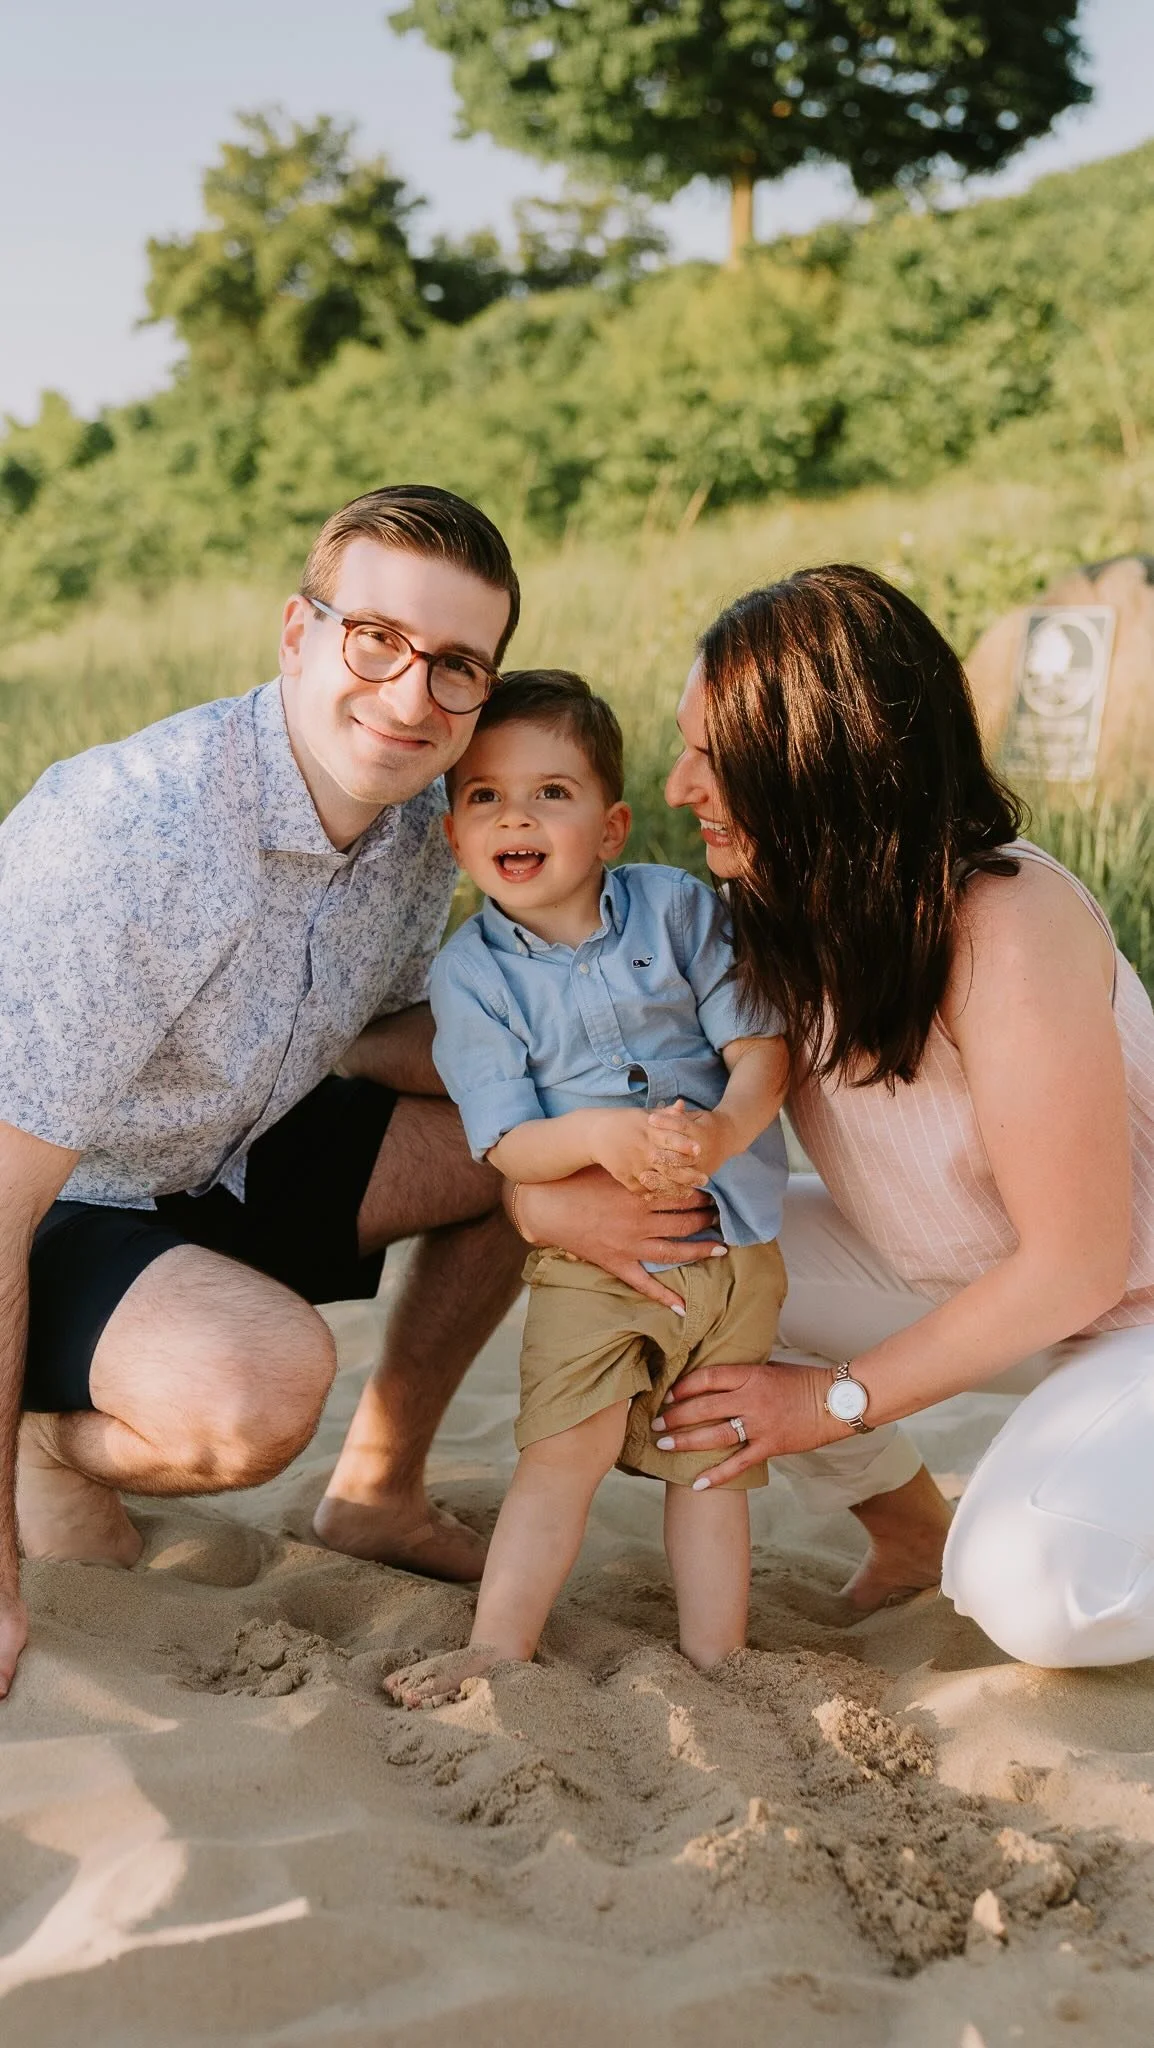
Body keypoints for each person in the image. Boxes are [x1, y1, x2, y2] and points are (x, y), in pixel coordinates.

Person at [0, 483, 581, 1703]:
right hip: (59, 1192)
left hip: (234, 1142)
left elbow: (402, 1027)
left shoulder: (431, 817)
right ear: (298, 633)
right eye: (377, 639)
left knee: (533, 1137)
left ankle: (377, 1489)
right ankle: (43, 1444)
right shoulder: (137, 832)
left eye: (458, 664)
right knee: (255, 1387)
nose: (412, 694)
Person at [632, 563, 1154, 1670]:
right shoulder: (768, 908)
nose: (678, 785)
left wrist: (824, 1403)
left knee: (1034, 1588)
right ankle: (910, 1530)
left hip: (1125, 1302)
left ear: (817, 766)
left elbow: (1075, 1269)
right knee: (668, 1267)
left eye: (712, 760)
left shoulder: (1003, 921)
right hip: (960, 1275)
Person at [386, 669, 794, 1708]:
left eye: (550, 792)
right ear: (452, 836)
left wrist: (723, 1129)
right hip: (592, 1262)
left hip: (727, 1246)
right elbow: (508, 1142)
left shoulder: (680, 909)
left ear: (609, 827)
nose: (515, 813)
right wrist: (599, 1134)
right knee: (559, 1451)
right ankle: (498, 1648)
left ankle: (719, 1660)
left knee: (707, 1457)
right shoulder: (470, 975)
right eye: (483, 795)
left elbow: (759, 1049)